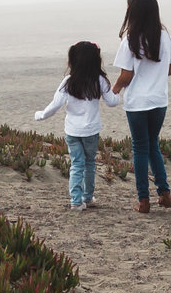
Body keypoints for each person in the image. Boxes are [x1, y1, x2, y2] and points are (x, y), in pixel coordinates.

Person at [111, 0, 171, 213]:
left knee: (139, 148)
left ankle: (143, 200)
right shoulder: (165, 36)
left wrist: (115, 89)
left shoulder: (130, 39)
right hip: (159, 100)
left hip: (138, 102)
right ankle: (165, 192)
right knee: (153, 146)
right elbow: (170, 69)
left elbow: (126, 75)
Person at [34, 41, 119, 210]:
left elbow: (55, 105)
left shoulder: (68, 81)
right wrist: (118, 92)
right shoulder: (100, 80)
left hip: (72, 131)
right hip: (91, 131)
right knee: (89, 164)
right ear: (96, 60)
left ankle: (76, 200)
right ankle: (87, 198)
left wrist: (41, 115)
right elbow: (112, 102)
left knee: (76, 164)